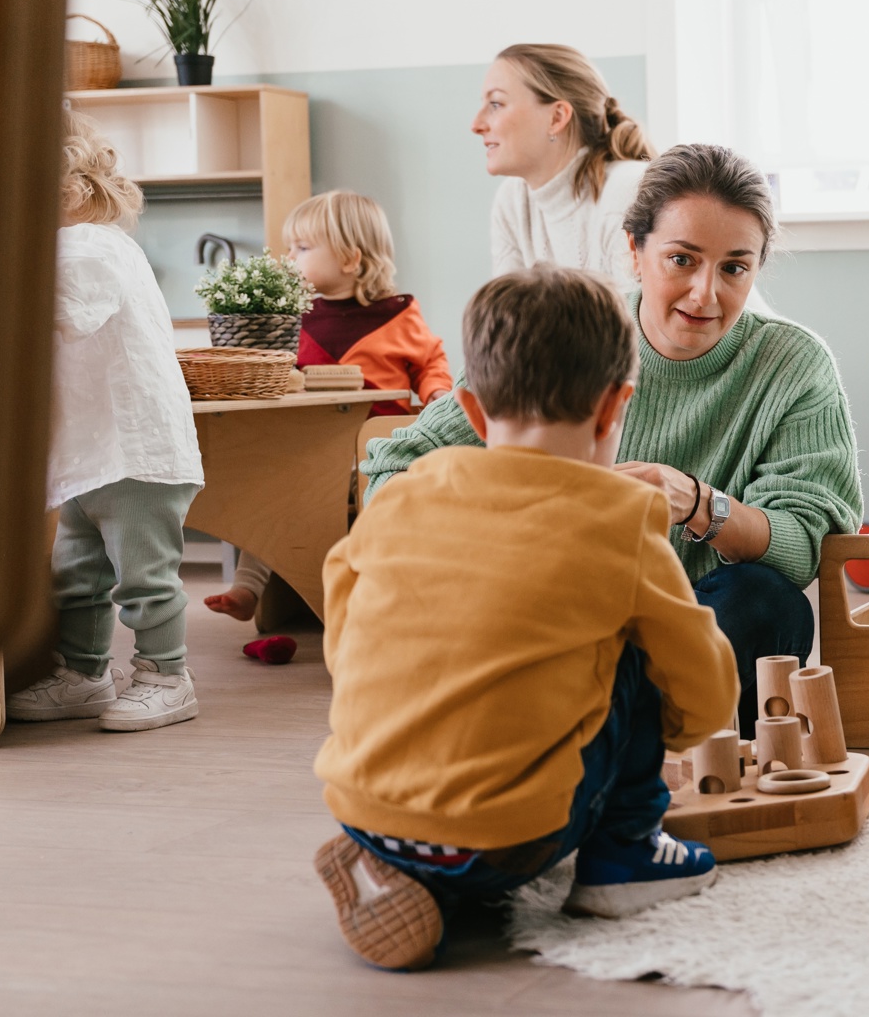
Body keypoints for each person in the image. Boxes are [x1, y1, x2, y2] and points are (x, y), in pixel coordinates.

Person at [313, 265, 739, 971]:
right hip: (514, 841)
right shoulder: (624, 515)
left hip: (362, 801)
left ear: (473, 413)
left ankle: (402, 868)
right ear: (614, 410)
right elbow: (703, 684)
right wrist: (684, 735)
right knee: (635, 654)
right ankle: (623, 859)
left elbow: (342, 618)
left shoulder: (403, 495)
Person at [362, 143, 864, 731]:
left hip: (699, 620)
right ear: (634, 249)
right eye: (682, 260)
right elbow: (394, 470)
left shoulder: (794, 363)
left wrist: (700, 504)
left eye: (734, 267)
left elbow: (807, 544)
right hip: (556, 616)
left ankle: (607, 729)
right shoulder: (569, 333)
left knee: (767, 602)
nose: (706, 293)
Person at [7, 108, 203, 732]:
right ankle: (85, 673)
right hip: (93, 451)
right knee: (77, 574)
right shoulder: (76, 247)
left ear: (66, 193)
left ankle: (166, 675)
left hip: (136, 451)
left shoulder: (91, 247)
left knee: (144, 577)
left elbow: (61, 311)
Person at [205, 189, 453, 623]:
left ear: (350, 260)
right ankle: (248, 588)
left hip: (379, 448)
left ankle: (381, 593)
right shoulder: (292, 320)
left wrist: (435, 393)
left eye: (301, 248)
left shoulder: (398, 314)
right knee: (271, 491)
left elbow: (430, 360)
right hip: (311, 450)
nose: (289, 258)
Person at [472, 43, 771, 312]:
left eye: (496, 104)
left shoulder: (625, 191)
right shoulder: (513, 201)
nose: (477, 124)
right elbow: (507, 326)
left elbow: (645, 345)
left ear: (557, 117)